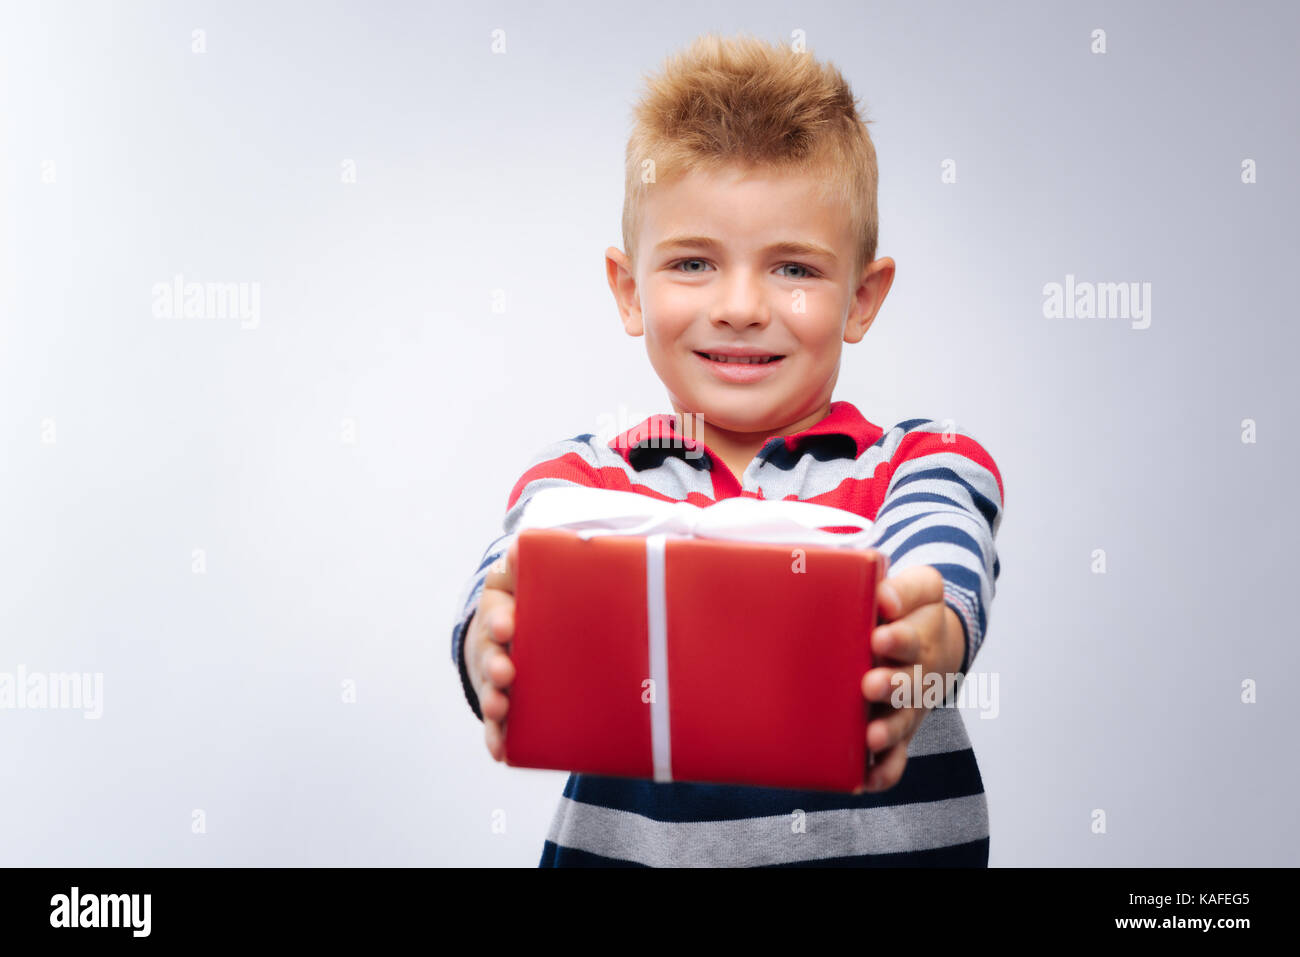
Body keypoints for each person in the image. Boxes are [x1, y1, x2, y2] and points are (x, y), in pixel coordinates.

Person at [450, 32, 1004, 866]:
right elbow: (505, 583)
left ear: (863, 297)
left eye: (794, 269)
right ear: (629, 291)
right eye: (694, 262)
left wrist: (926, 644)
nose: (741, 305)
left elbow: (944, 559)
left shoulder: (921, 462)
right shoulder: (582, 478)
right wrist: (489, 639)